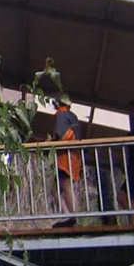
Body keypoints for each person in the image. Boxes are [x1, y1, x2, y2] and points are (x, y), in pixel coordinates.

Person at [52, 95, 82, 228]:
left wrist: (51, 143)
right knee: (55, 188)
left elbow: (60, 135)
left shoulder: (62, 116)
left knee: (66, 186)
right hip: (73, 157)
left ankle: (74, 217)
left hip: (66, 158)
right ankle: (69, 216)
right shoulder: (72, 116)